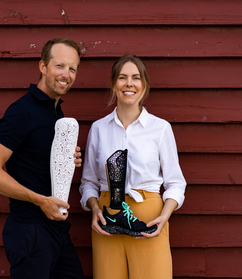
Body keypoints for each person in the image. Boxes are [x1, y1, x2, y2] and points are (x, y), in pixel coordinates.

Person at [0, 37, 85, 279]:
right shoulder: (22, 111)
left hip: (56, 229)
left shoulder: (56, 112)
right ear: (42, 66)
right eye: (59, 66)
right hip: (30, 232)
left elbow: (37, 159)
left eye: (72, 68)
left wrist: (68, 159)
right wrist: (40, 201)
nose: (66, 74)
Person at [79, 54, 186, 279]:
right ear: (113, 84)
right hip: (107, 217)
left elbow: (175, 182)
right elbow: (88, 181)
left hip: (149, 218)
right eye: (122, 77)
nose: (129, 83)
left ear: (144, 85)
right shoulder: (98, 129)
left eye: (136, 78)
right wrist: (95, 209)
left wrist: (164, 217)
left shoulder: (160, 128)